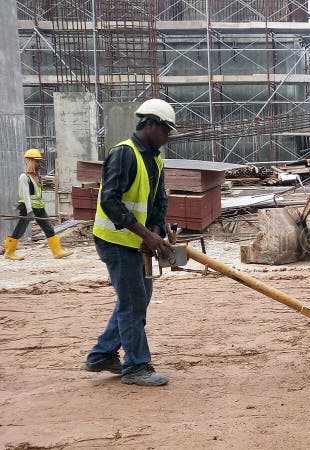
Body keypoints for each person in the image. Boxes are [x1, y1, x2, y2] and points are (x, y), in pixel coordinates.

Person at [82, 98, 176, 387]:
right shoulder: (124, 153)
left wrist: (155, 233)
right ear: (150, 124)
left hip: (137, 241)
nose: (167, 136)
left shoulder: (155, 158)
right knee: (134, 301)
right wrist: (145, 235)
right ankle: (135, 366)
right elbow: (109, 200)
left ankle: (102, 354)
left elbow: (159, 201)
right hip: (115, 241)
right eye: (165, 130)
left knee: (138, 297)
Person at [4, 148, 72, 260]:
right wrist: (30, 211)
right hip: (28, 208)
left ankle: (57, 251)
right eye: (36, 161)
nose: (38, 164)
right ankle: (9, 252)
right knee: (20, 230)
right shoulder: (24, 177)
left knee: (48, 228)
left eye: (39, 161)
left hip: (39, 207)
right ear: (30, 161)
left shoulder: (36, 177)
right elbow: (26, 195)